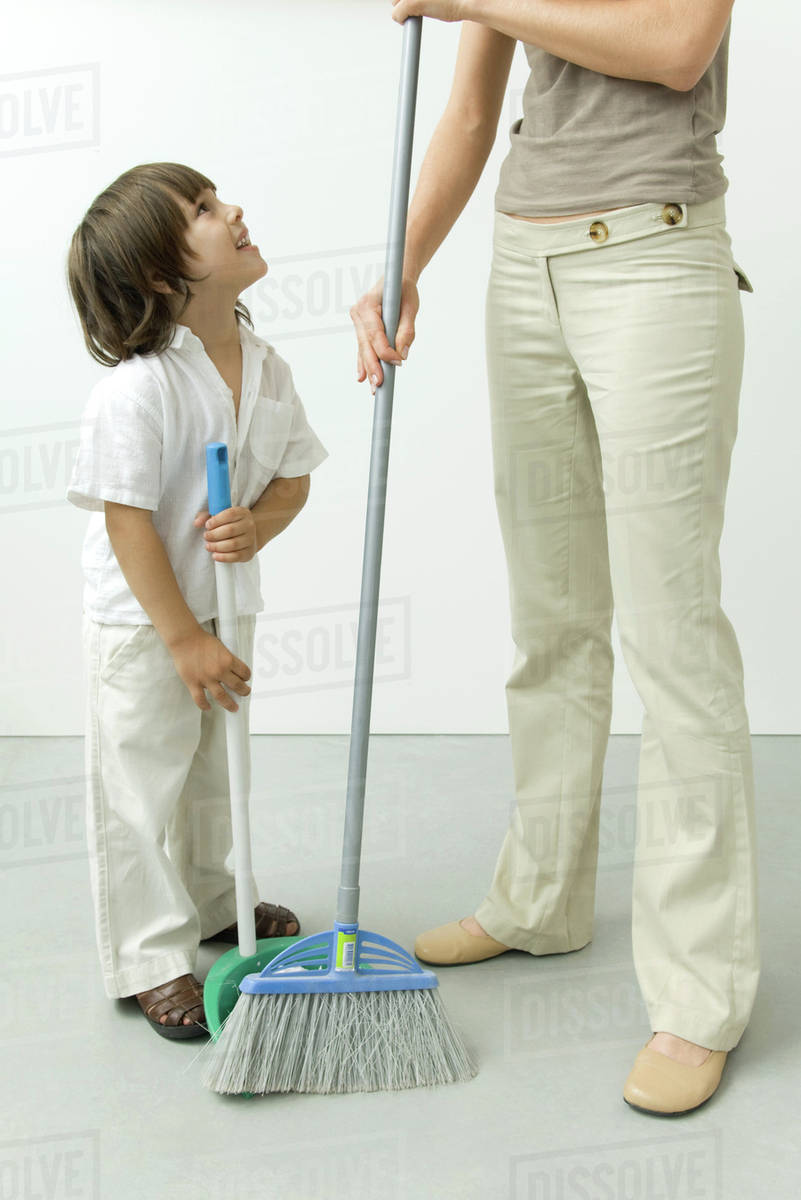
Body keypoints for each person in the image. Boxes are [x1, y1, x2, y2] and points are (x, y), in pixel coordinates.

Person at [350, 1, 758, 1114]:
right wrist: (407, 263)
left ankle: (700, 994)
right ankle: (540, 896)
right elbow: (472, 110)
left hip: (655, 259)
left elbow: (679, 48)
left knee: (671, 635)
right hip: (521, 267)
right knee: (552, 614)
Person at [65, 162, 328, 1037]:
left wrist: (256, 523)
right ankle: (150, 954)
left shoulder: (266, 365)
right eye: (205, 211)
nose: (235, 210)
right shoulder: (139, 389)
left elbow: (291, 481)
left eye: (218, 198)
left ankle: (219, 901)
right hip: (147, 627)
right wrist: (182, 641)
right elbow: (127, 522)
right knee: (142, 784)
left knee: (217, 772)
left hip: (225, 608)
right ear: (155, 274)